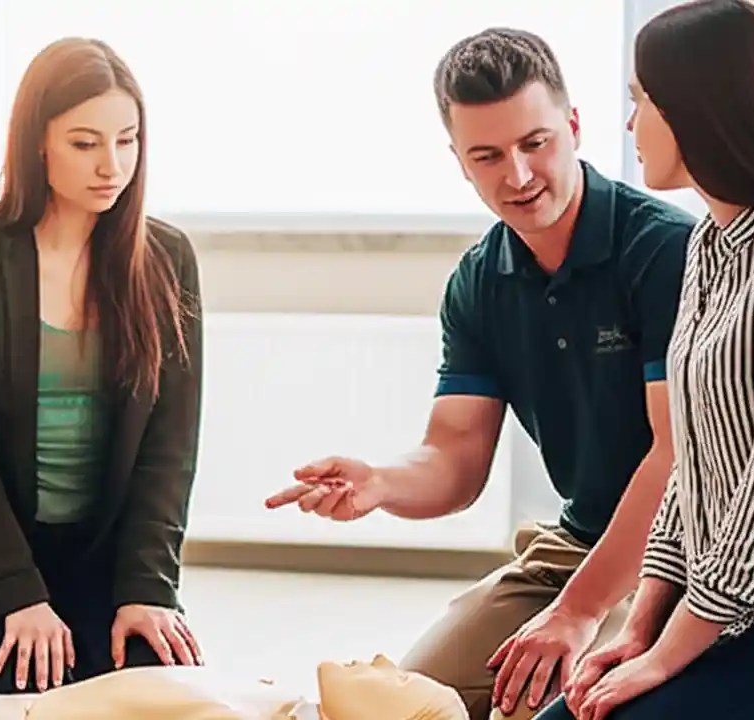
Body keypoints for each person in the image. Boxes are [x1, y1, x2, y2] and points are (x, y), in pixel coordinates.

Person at [265, 28, 696, 720]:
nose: (518, 176)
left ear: (575, 126)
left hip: (675, 558)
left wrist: (579, 611)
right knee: (399, 704)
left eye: (536, 144)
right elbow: (456, 457)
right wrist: (380, 483)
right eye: (488, 156)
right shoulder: (477, 282)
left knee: (547, 708)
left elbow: (673, 458)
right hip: (575, 546)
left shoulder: (662, 251)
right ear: (460, 163)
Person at [536, 2, 754, 718]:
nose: (629, 122)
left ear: (697, 111)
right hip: (725, 622)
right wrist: (641, 627)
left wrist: (668, 653)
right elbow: (691, 467)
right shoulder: (708, 246)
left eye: (640, 102)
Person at [0, 36, 205, 701]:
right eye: (85, 143)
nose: (111, 165)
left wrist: (147, 590)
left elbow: (168, 452)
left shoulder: (167, 260)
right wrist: (16, 596)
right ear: (39, 142)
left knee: (164, 696)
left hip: (102, 559)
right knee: (32, 694)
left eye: (128, 140)